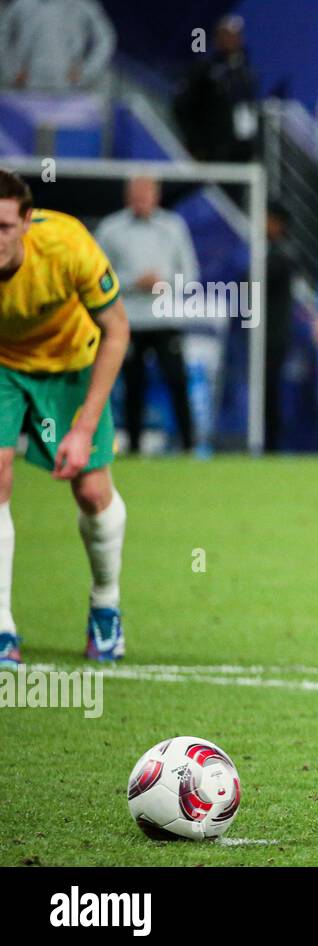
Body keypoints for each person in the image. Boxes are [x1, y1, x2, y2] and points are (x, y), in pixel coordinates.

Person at [0, 169, 130, 667]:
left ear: (28, 221)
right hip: (4, 368)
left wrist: (79, 430)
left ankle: (105, 604)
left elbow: (117, 331)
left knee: (93, 491)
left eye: (6, 227)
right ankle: (3, 628)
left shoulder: (69, 244)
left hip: (72, 362)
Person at [95, 176, 199, 454]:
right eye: (136, 193)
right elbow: (96, 277)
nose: (141, 199)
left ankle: (190, 446)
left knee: (177, 380)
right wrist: (131, 282)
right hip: (129, 321)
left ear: (156, 195)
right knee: (132, 385)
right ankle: (135, 446)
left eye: (146, 193)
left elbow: (190, 275)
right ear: (127, 196)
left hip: (166, 319)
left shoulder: (174, 227)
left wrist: (163, 282)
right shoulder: (111, 229)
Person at [173, 14, 258, 163]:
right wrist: (197, 145)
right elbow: (181, 107)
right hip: (212, 153)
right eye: (226, 35)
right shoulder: (204, 70)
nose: (231, 40)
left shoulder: (246, 71)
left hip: (241, 152)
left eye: (235, 35)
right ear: (217, 38)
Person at [0, 0, 115, 90]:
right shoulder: (21, 4)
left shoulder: (83, 4)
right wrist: (12, 71)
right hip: (26, 88)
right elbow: (3, 35)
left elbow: (105, 38)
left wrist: (85, 72)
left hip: (69, 89)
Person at [263, 202, 297, 452]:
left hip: (275, 334)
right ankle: (267, 443)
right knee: (266, 390)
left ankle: (272, 444)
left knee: (272, 389)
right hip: (260, 332)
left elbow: (254, 275)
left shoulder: (284, 253)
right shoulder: (267, 250)